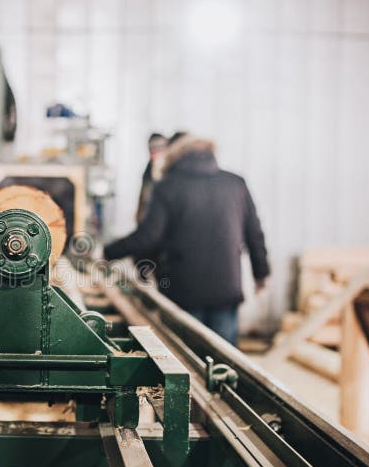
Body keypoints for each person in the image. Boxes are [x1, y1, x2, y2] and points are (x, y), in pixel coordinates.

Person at [104, 134, 270, 345]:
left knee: (185, 356)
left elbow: (148, 237)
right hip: (226, 288)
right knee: (224, 357)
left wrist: (107, 252)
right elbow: (254, 233)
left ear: (174, 156)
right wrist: (261, 274)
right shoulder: (235, 184)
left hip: (183, 292)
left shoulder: (167, 186)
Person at [135, 133, 168, 223]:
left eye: (161, 147)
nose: (157, 152)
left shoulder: (174, 173)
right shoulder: (148, 172)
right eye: (153, 148)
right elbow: (143, 198)